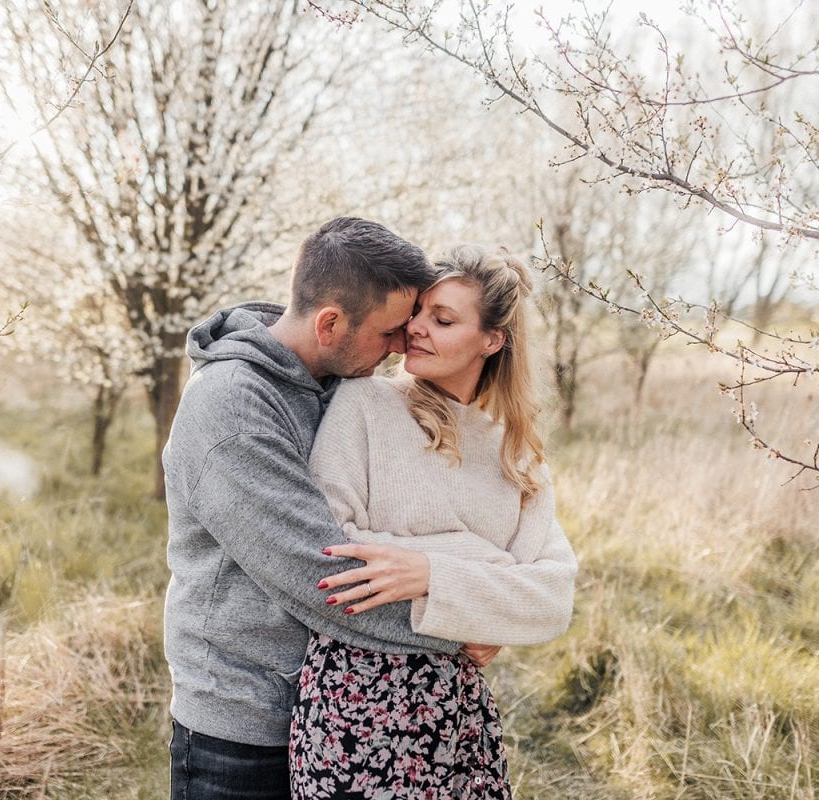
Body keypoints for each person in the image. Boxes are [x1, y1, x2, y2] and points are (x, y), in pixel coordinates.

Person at [162, 217, 467, 800]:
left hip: (329, 714)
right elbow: (321, 574)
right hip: (242, 731)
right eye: (388, 332)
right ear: (330, 323)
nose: (402, 346)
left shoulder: (336, 384)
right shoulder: (231, 410)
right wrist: (461, 624)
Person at [289, 244, 578, 799]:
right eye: (419, 312)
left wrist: (428, 573)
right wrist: (489, 581)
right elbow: (333, 549)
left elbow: (551, 597)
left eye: (442, 320)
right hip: (355, 702)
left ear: (492, 341)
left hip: (458, 711)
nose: (415, 329)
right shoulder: (364, 403)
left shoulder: (518, 453)